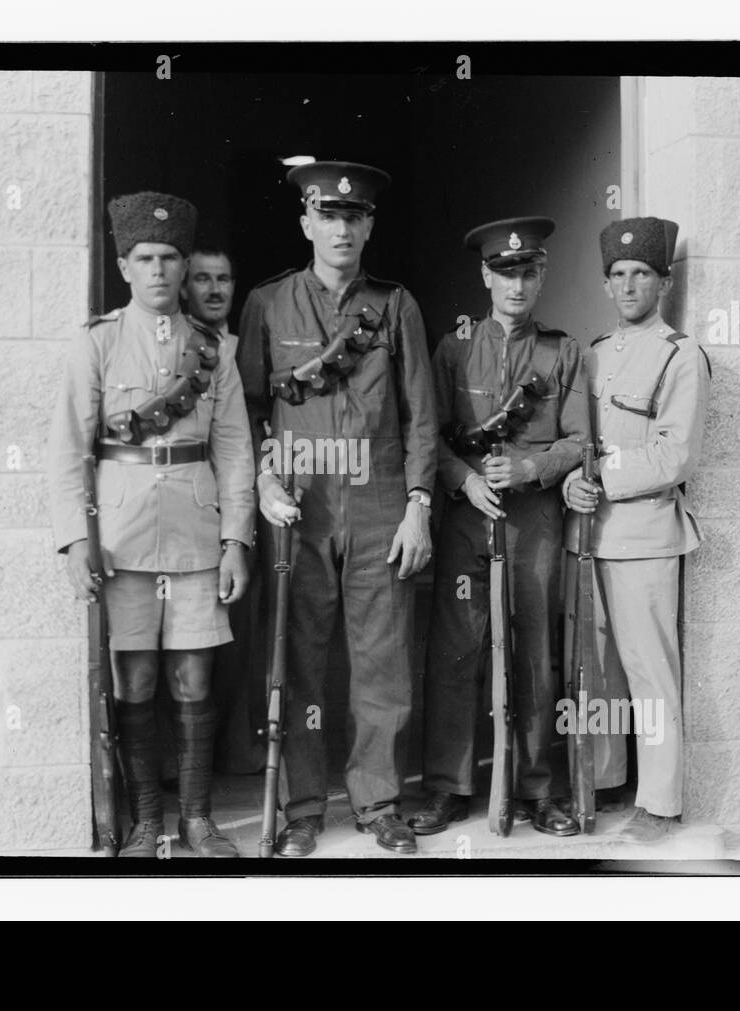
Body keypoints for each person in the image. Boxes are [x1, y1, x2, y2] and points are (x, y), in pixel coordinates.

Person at [238, 161, 438, 856]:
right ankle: (301, 808)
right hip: (301, 500)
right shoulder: (269, 303)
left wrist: (418, 506)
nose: (342, 227)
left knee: (382, 661)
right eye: (328, 214)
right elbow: (250, 410)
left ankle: (379, 801)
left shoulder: (397, 305)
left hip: (380, 497)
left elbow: (419, 416)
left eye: (355, 217)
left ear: (370, 225)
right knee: (296, 659)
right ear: (306, 222)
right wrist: (265, 480)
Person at [47, 191, 255, 857]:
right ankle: (144, 821)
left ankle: (196, 819)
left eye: (171, 257)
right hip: (123, 537)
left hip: (195, 537)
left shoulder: (211, 350)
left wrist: (236, 540)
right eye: (146, 257)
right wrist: (76, 539)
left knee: (194, 678)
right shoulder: (99, 343)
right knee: (133, 680)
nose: (160, 270)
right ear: (124, 266)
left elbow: (234, 450)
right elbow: (68, 448)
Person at [411, 216, 591, 838]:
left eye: (529, 271)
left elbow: (579, 440)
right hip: (468, 519)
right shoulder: (454, 348)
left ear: (542, 276)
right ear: (485, 275)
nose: (517, 283)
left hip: (534, 522)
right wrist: (463, 479)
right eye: (505, 272)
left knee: (537, 653)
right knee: (458, 650)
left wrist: (530, 468)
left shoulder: (561, 351)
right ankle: (448, 787)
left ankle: (541, 790)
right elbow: (424, 435)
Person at [562, 216, 711, 844]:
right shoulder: (591, 354)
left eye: (641, 274)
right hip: (587, 532)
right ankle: (601, 785)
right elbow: (573, 442)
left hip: (645, 535)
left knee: (649, 670)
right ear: (606, 284)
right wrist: (572, 479)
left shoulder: (680, 356)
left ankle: (659, 802)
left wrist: (601, 477)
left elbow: (675, 455)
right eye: (618, 275)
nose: (628, 286)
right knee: (595, 671)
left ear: (663, 281)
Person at [179, 245, 266, 775]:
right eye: (203, 279)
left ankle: (235, 750)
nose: (214, 290)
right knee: (186, 645)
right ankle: (183, 761)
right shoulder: (181, 345)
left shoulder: (243, 347)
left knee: (239, 640)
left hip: (244, 504)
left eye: (225, 279)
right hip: (190, 509)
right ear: (186, 285)